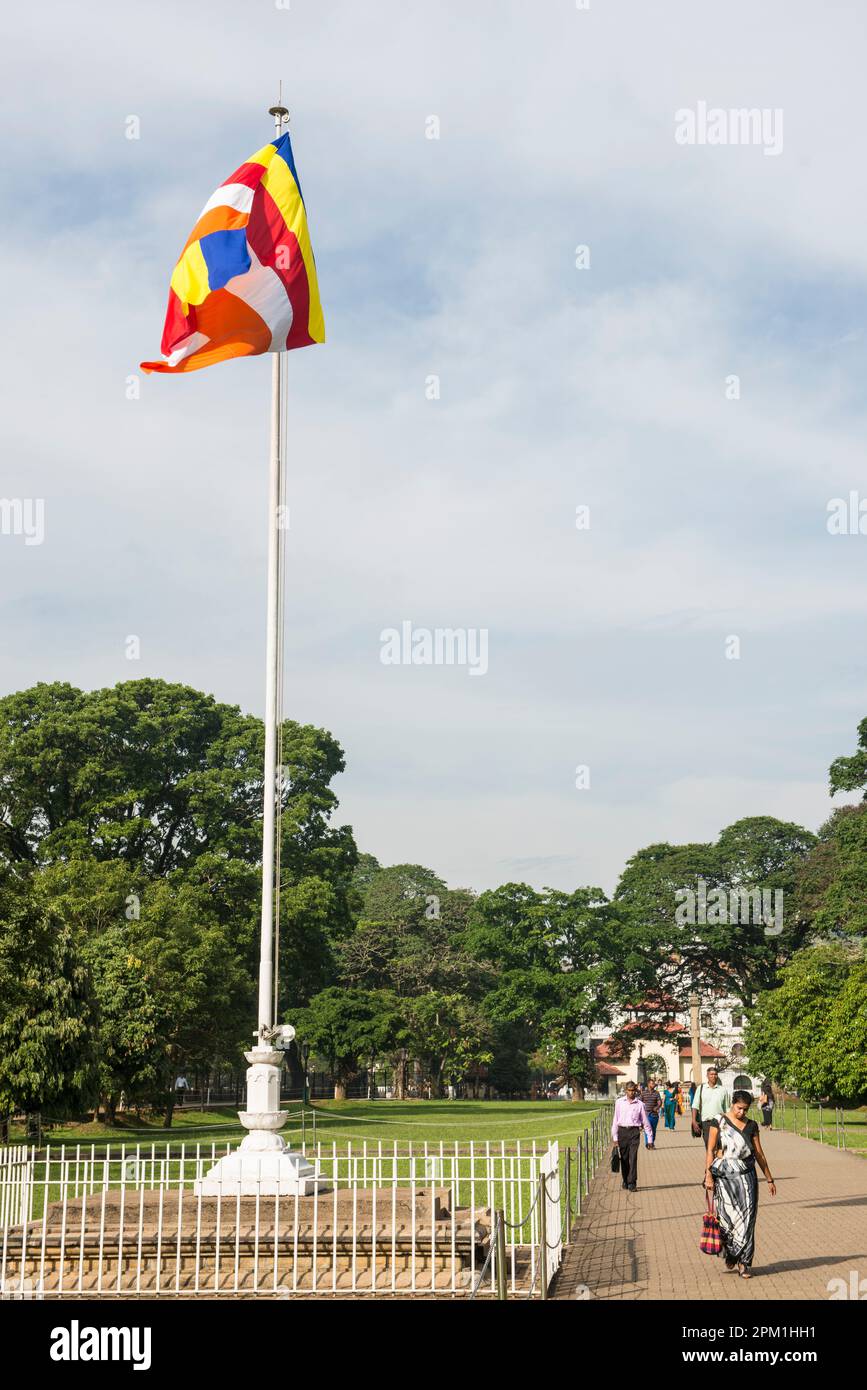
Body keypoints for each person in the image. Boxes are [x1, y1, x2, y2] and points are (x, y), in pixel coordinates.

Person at [704, 1089, 776, 1277]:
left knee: (747, 1220)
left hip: (747, 1178)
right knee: (727, 1219)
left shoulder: (751, 1126)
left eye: (745, 1109)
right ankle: (731, 1253)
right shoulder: (718, 1121)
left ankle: (745, 1263)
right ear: (732, 1104)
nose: (742, 1113)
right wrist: (708, 1176)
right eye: (739, 1108)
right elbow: (710, 1150)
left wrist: (769, 1178)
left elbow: (759, 1153)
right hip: (725, 1178)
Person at [611, 1081, 654, 1192]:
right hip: (622, 1132)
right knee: (624, 1158)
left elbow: (645, 1122)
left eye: (633, 1090)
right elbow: (615, 1120)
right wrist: (615, 1138)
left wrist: (650, 1139)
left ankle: (632, 1182)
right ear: (626, 1090)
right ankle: (625, 1180)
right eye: (629, 1090)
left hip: (634, 1132)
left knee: (633, 1157)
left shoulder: (640, 1104)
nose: (631, 1092)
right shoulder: (619, 1102)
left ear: (636, 1090)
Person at [691, 1067, 731, 1143]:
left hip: (720, 1123)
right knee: (709, 1147)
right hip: (706, 1123)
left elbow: (727, 1108)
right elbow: (695, 1106)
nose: (713, 1076)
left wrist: (729, 1123)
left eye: (715, 1074)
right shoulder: (701, 1088)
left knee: (720, 1145)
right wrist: (694, 1121)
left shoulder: (723, 1090)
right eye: (711, 1074)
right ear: (707, 1076)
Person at [640, 1079, 662, 1148]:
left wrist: (657, 1107)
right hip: (646, 1115)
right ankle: (649, 1144)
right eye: (652, 1083)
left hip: (654, 1115)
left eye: (654, 1083)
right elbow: (640, 1103)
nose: (654, 1085)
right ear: (648, 1084)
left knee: (653, 1130)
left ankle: (651, 1142)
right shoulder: (643, 1093)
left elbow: (660, 1102)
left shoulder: (656, 1093)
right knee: (648, 1129)